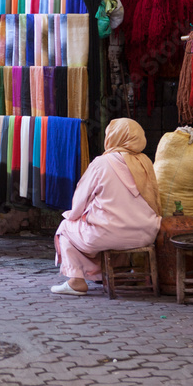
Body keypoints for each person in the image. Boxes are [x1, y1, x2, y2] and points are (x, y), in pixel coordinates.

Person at [51, 118, 162, 295]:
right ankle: (117, 273)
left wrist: (73, 216)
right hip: (146, 233)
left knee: (65, 228)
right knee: (107, 226)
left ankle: (76, 281)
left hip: (109, 234)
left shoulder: (101, 163)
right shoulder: (145, 162)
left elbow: (79, 201)